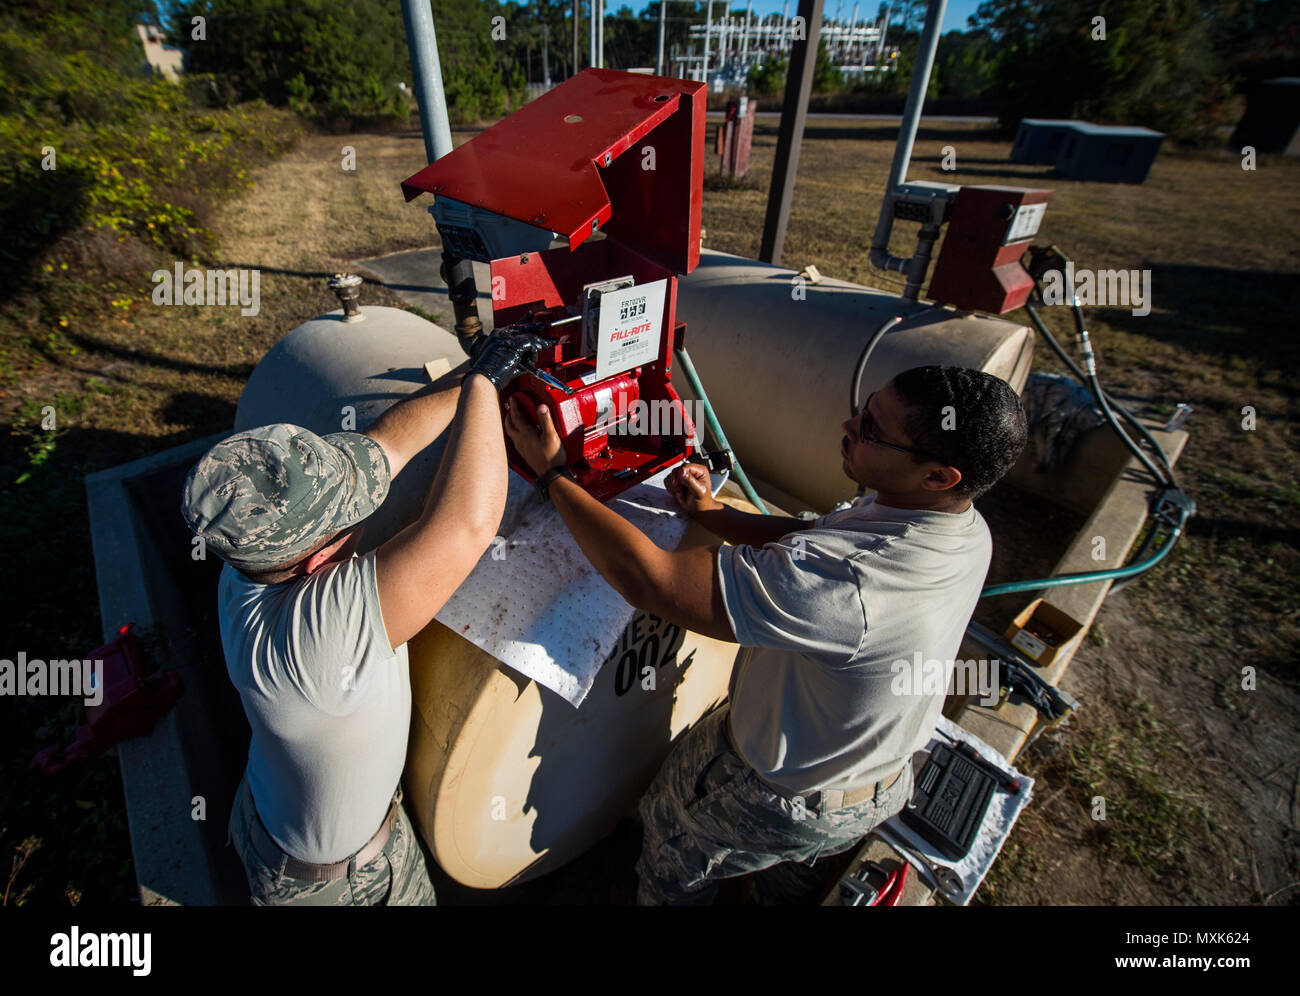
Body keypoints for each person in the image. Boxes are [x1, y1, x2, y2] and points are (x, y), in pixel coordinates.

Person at [504, 364, 1027, 905]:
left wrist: (553, 477)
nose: (847, 425)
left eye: (871, 430)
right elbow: (818, 536)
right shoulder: (957, 522)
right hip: (880, 778)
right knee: (775, 868)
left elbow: (651, 581)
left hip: (778, 793)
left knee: (675, 847)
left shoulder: (852, 585)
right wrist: (713, 513)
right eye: (865, 407)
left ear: (939, 476)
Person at [181, 328, 547, 905]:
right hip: (333, 885)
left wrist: (475, 370)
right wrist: (485, 385)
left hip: (285, 814)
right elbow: (465, 527)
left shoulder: (246, 553)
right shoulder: (311, 645)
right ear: (321, 556)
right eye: (347, 519)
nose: (360, 516)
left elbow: (385, 445)